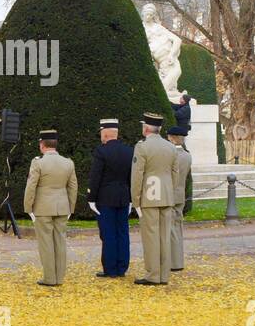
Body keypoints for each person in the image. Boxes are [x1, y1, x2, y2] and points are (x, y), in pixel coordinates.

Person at [23, 129, 78, 287]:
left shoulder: (38, 162)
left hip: (42, 208)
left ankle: (49, 278)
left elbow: (31, 187)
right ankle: (59, 278)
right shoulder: (68, 163)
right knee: (60, 242)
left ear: (42, 145)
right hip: (62, 208)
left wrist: (28, 208)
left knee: (46, 243)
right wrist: (70, 208)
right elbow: (73, 188)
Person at [130, 112, 177, 286]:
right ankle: (164, 274)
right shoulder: (171, 146)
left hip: (149, 196)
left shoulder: (142, 147)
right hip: (166, 195)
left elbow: (137, 175)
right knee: (164, 237)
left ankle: (153, 274)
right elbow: (175, 173)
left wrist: (136, 200)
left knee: (151, 237)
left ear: (146, 128)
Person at [88, 118, 133, 278]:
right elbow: (130, 176)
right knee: (122, 232)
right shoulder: (128, 150)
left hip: (105, 198)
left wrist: (91, 197)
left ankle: (110, 268)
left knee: (108, 233)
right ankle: (122, 266)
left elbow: (96, 176)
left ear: (105, 134)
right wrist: (131, 197)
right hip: (123, 197)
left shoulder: (101, 151)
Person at [167, 125, 192, 273]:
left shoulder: (172, 155)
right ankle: (177, 260)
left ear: (172, 137)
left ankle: (174, 262)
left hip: (170, 194)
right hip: (180, 194)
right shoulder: (187, 155)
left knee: (171, 230)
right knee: (177, 228)